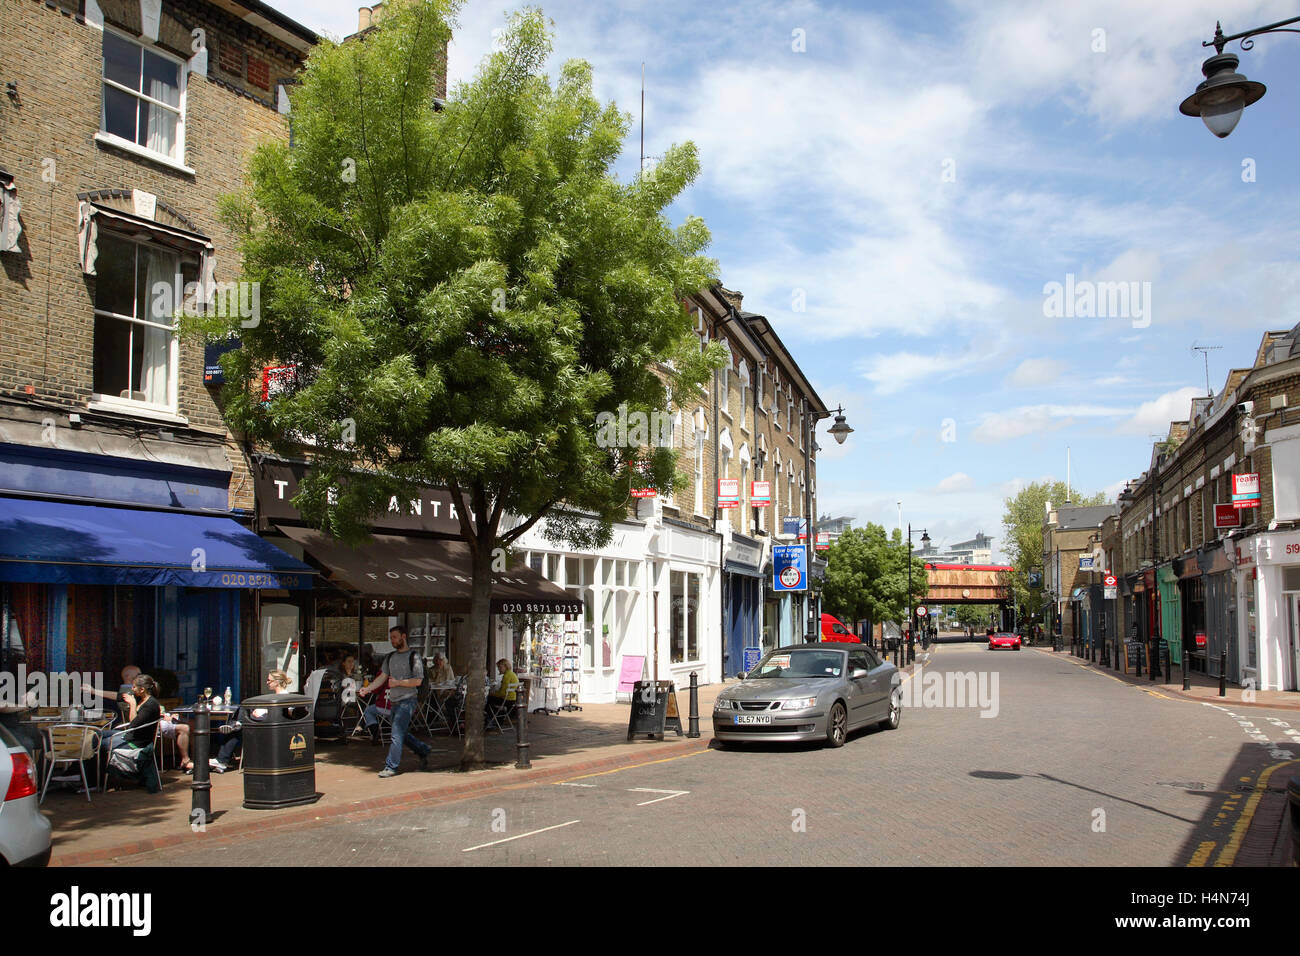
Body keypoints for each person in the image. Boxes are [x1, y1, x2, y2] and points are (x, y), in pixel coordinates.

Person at [359, 627, 431, 778]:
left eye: (394, 637)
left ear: (403, 637)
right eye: (391, 638)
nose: (392, 640)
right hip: (394, 702)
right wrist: (368, 689)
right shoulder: (390, 657)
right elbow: (382, 677)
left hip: (408, 701)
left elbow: (417, 681)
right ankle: (423, 750)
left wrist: (398, 683)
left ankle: (391, 766)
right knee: (401, 733)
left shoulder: (414, 656)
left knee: (396, 733)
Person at [210, 670, 290, 772]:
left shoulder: (284, 696)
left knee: (240, 719)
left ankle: (222, 759)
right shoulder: (276, 695)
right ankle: (236, 727)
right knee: (238, 726)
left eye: (269, 680)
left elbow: (281, 714)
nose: (267, 682)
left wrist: (262, 713)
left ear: (277, 682)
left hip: (268, 726)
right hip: (263, 723)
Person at [485, 658, 519, 724]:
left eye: (500, 667)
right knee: (492, 701)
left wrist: (492, 694)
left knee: (488, 700)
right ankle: (499, 718)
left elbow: (503, 693)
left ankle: (493, 720)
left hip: (507, 700)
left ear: (505, 666)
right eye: (498, 667)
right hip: (513, 699)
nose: (499, 669)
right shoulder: (512, 674)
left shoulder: (506, 676)